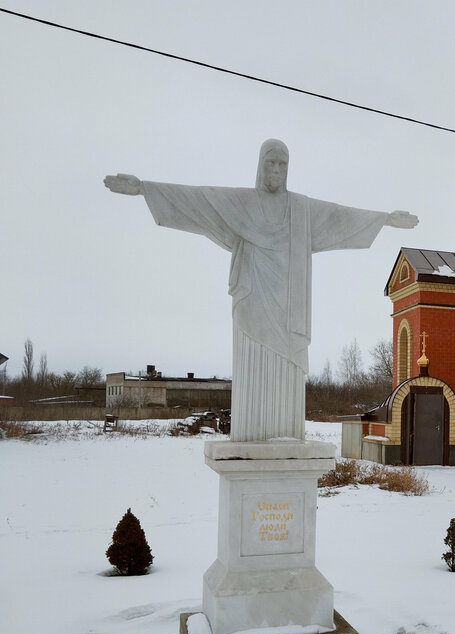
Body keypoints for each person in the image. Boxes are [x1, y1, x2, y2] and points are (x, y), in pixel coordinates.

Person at [104, 139, 417, 441]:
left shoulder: (301, 209)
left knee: (286, 368)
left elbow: (340, 218)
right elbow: (198, 199)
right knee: (253, 363)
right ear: (260, 166)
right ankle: (252, 429)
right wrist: (144, 188)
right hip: (252, 296)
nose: (277, 170)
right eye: (271, 163)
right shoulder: (242, 203)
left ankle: (286, 432)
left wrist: (384, 220)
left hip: (288, 304)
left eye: (283, 164)